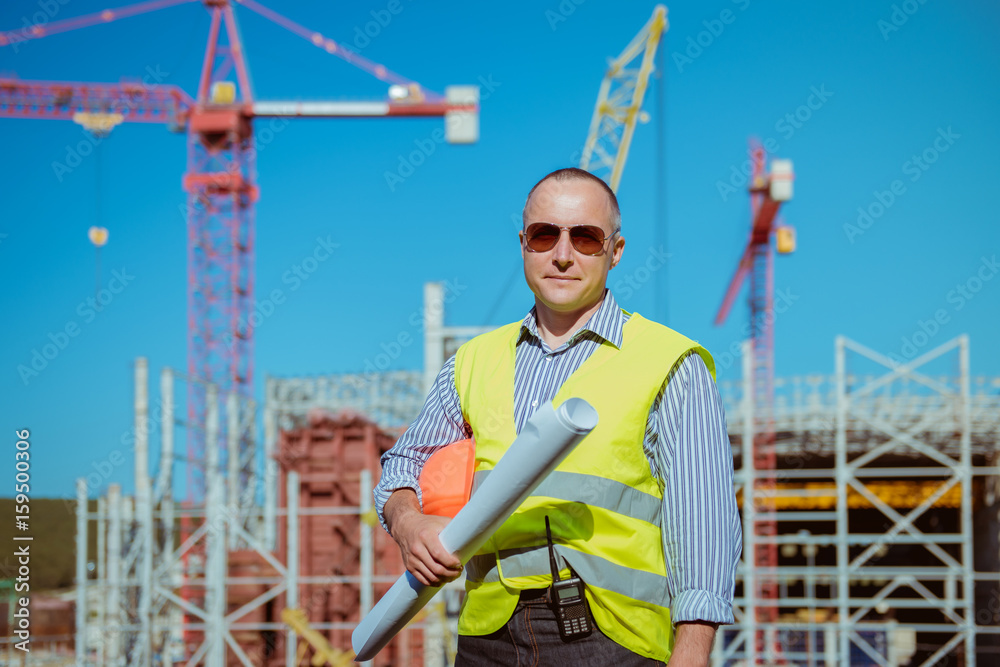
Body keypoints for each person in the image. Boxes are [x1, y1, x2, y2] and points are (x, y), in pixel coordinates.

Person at [374, 167, 741, 666]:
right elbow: (404, 464)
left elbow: (702, 520)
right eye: (545, 235)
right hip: (488, 637)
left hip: (616, 638)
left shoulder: (670, 361)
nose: (563, 255)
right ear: (523, 243)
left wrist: (692, 653)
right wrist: (408, 521)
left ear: (616, 251)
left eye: (586, 238)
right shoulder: (474, 361)